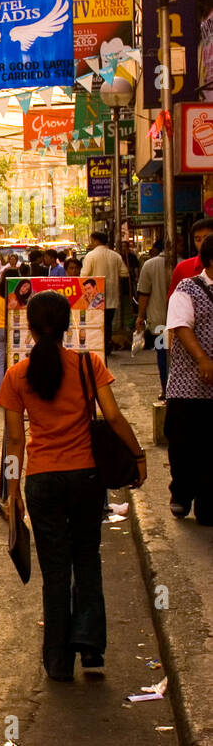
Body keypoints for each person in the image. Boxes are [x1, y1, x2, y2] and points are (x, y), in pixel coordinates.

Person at [0, 291, 146, 681]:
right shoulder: (87, 365)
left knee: (55, 571)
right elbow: (113, 417)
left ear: (29, 327)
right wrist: (139, 455)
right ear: (67, 325)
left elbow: (15, 441)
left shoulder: (17, 375)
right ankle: (91, 650)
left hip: (42, 481)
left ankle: (58, 660)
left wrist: (13, 491)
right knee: (86, 557)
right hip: (86, 477)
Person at [163, 234, 213, 524]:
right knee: (184, 445)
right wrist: (202, 359)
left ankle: (207, 504)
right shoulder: (187, 288)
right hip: (187, 386)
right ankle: (181, 493)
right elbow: (180, 326)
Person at [135, 238, 172, 398]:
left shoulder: (150, 265)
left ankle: (166, 389)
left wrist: (140, 316)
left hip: (158, 322)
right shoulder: (183, 263)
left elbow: (144, 293)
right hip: (181, 322)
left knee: (162, 354)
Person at [81, 231, 126, 355]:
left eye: (91, 240)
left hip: (95, 297)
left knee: (96, 324)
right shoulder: (115, 255)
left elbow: (83, 276)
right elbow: (124, 272)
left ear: (96, 241)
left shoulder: (91, 256)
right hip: (112, 296)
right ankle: (107, 347)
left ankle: (98, 347)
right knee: (108, 323)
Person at [166, 218, 213, 297]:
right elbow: (173, 302)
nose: (202, 243)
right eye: (198, 239)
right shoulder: (183, 268)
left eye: (206, 238)